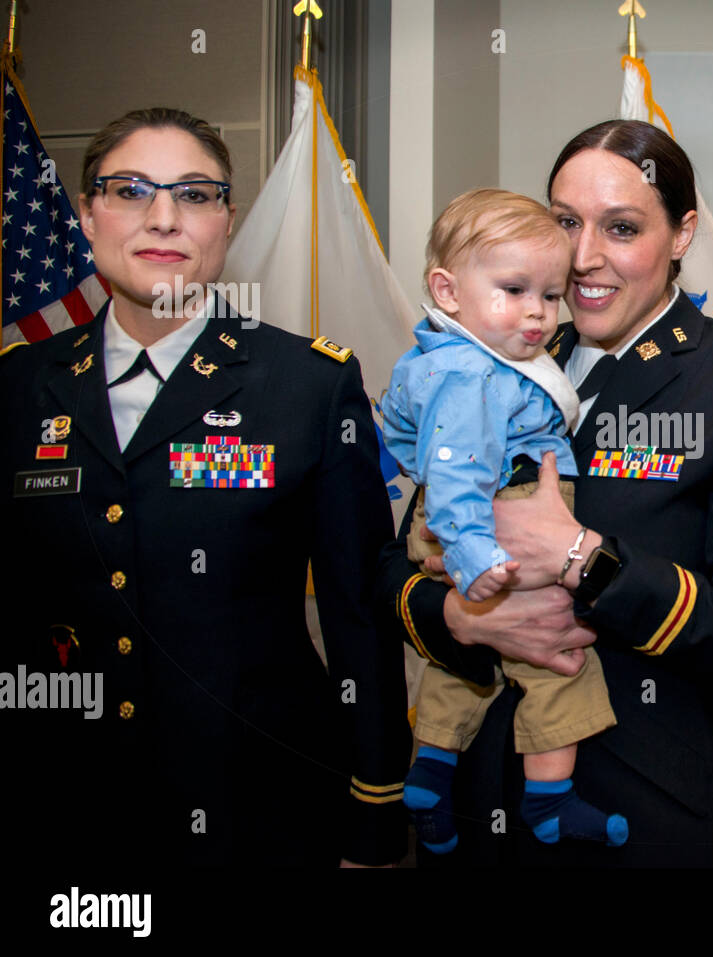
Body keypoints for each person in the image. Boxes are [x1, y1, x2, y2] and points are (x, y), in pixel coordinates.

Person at [377, 119, 713, 867]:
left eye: (621, 227)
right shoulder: (486, 351)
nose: (584, 258)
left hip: (644, 814)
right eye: (564, 222)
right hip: (474, 803)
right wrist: (463, 615)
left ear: (683, 234)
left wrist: (586, 559)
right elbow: (396, 565)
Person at [0, 108, 410, 867]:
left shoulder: (306, 386)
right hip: (63, 808)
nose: (163, 217)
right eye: (129, 190)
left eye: (194, 194)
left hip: (257, 804)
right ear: (87, 216)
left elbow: (359, 611)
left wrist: (375, 813)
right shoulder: (20, 385)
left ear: (226, 221)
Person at [382, 188, 627, 852]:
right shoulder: (475, 377)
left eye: (550, 296)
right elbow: (459, 476)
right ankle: (551, 799)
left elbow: (409, 444)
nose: (538, 314)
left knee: (468, 658)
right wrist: (473, 555)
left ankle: (430, 770)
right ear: (447, 289)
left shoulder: (446, 357)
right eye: (515, 290)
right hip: (500, 514)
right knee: (559, 653)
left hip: (469, 515)